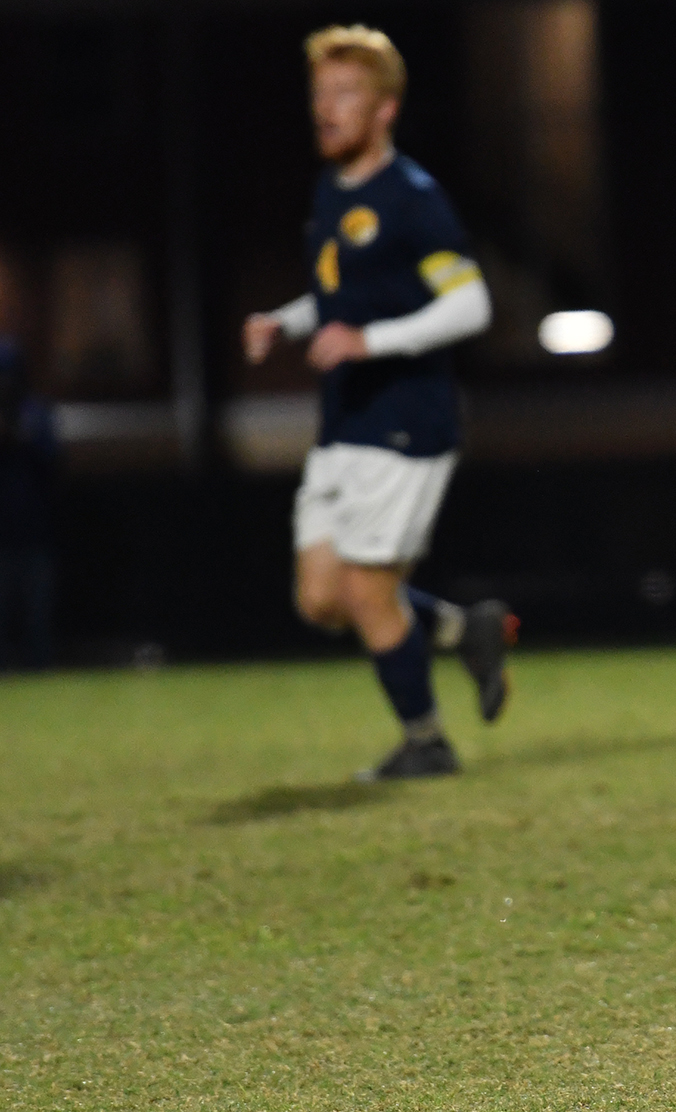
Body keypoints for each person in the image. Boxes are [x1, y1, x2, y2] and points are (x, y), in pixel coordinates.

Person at [243, 25, 515, 781]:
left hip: (406, 421)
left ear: (386, 108)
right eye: (319, 95)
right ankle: (467, 631)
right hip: (344, 420)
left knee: (368, 590)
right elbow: (342, 295)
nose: (326, 110)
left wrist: (369, 343)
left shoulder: (414, 200)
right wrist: (288, 321)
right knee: (323, 598)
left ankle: (425, 741)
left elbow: (470, 307)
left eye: (346, 94)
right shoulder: (332, 189)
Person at [0, 338, 58, 671]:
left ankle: (41, 673)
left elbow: (51, 459)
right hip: (2, 534)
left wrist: (18, 436)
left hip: (35, 532)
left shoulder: (36, 412)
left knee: (36, 617)